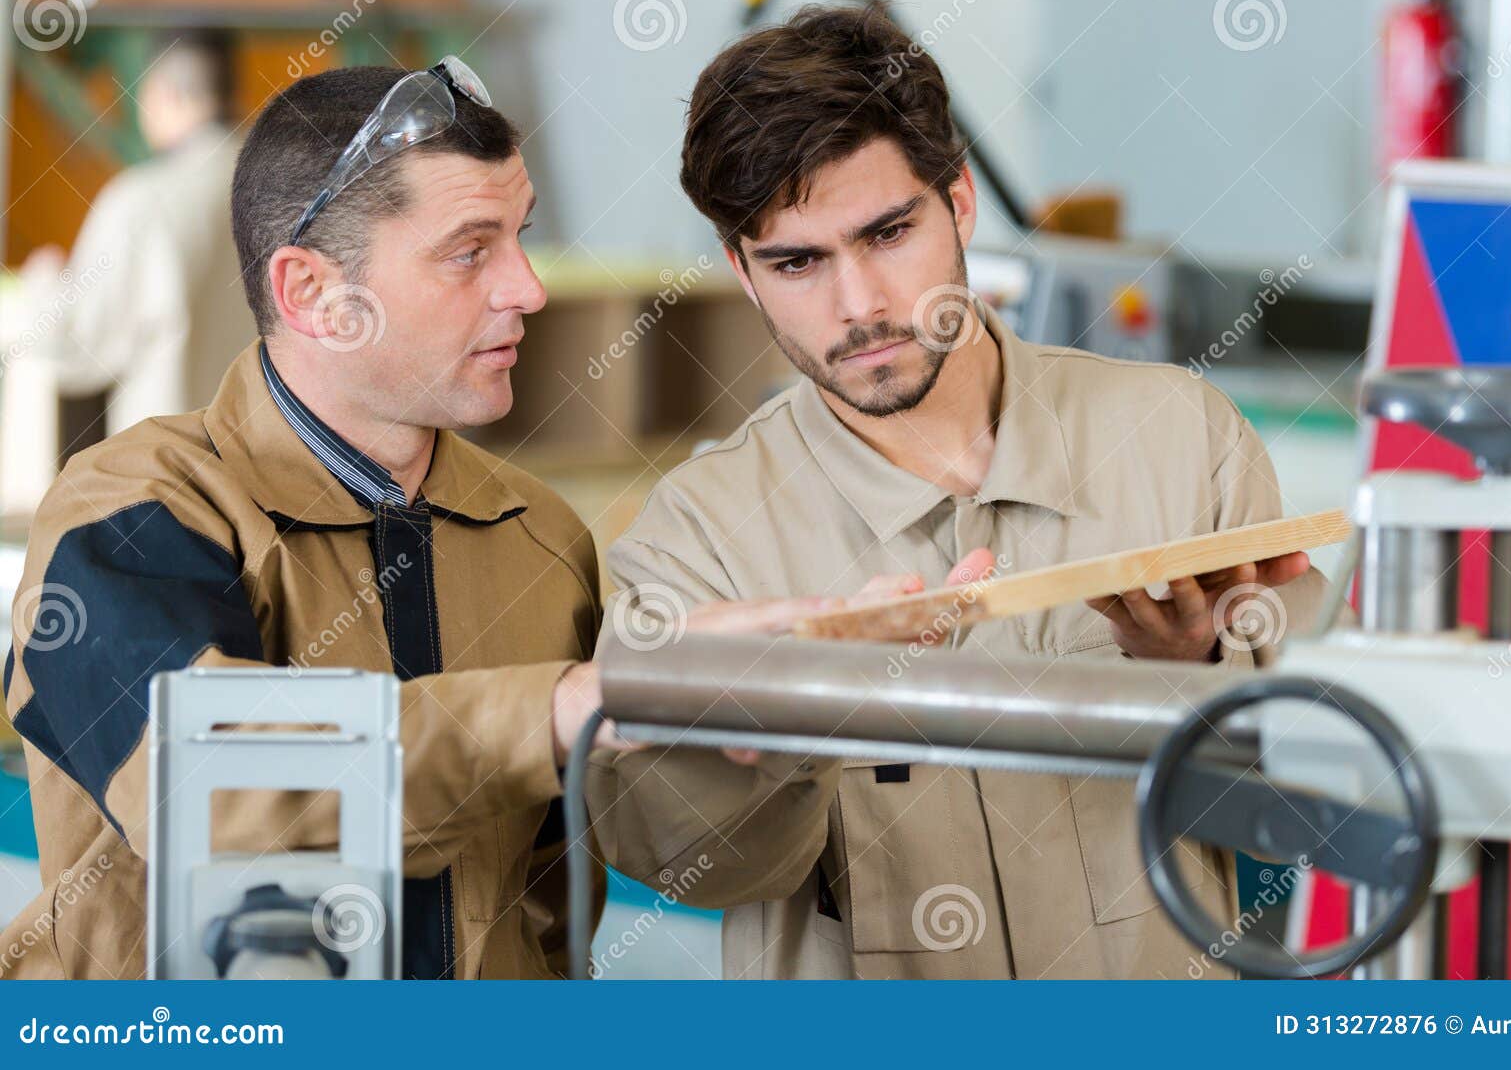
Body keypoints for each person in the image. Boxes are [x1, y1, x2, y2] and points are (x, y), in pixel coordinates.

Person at [0, 58, 941, 980]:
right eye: (469, 251)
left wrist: (774, 735)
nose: (527, 288)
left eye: (520, 236)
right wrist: (571, 704)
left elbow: (559, 907)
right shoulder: (127, 510)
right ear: (311, 294)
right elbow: (205, 784)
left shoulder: (536, 536)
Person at [589, 4, 1332, 979]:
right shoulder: (697, 540)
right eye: (797, 262)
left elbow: (1314, 817)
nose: (859, 308)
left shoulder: (1179, 439)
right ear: (741, 269)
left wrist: (1197, 671)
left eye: (889, 232)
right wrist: (780, 721)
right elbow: (682, 865)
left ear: (961, 202)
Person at [15, 31, 257, 441]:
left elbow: (76, 345)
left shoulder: (143, 200)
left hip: (171, 474)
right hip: (269, 473)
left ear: (161, 92)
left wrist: (41, 283)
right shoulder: (286, 191)